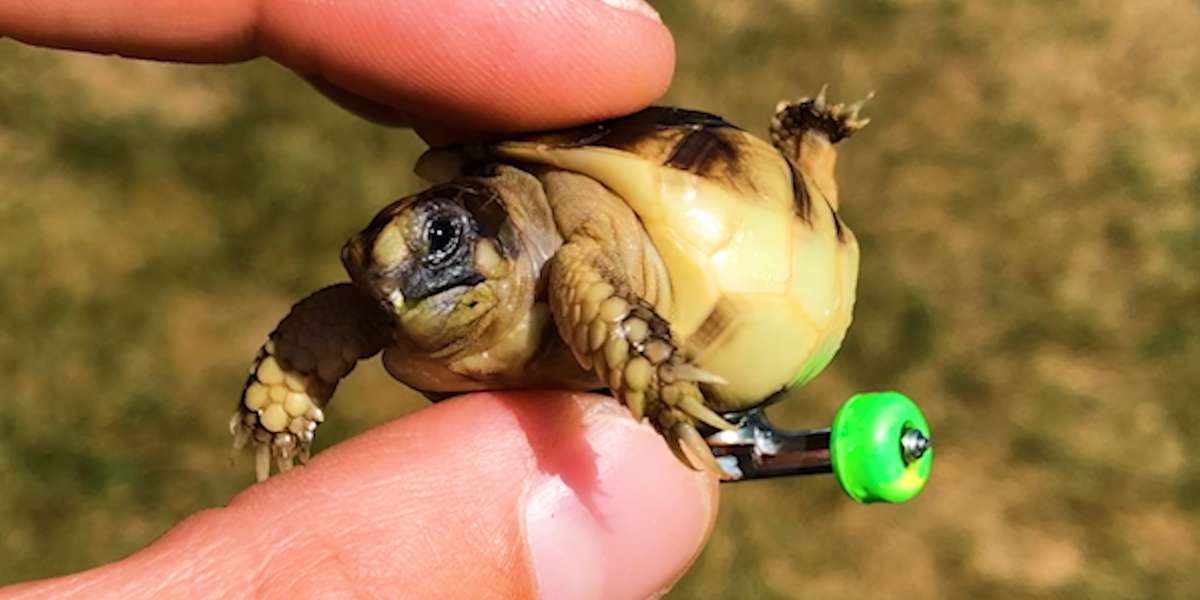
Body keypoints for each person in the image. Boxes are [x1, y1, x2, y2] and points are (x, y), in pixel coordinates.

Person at [0, 1, 720, 598]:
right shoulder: (397, 303)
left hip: (705, 245)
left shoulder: (578, 253)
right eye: (381, 277)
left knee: (576, 279)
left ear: (494, 221)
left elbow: (582, 279)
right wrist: (283, 399)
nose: (403, 288)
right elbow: (340, 315)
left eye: (441, 238)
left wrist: (649, 377)